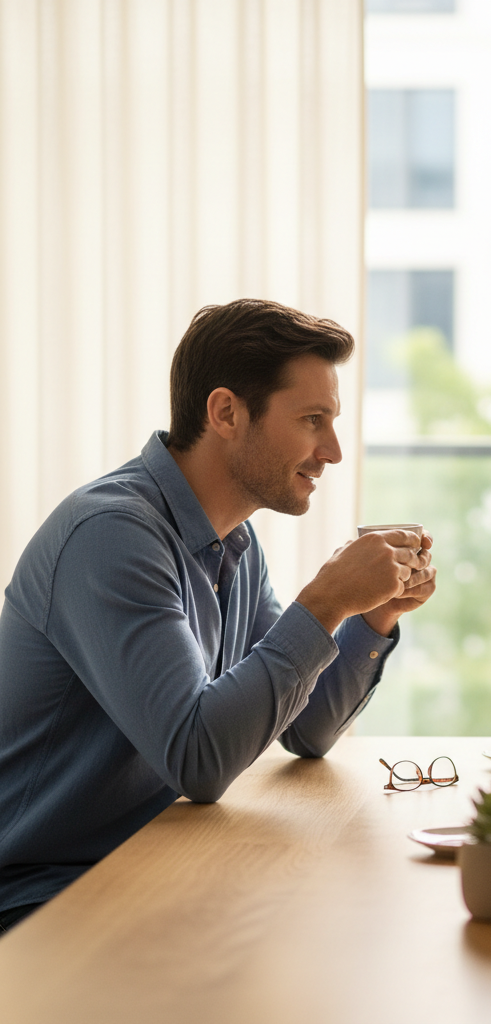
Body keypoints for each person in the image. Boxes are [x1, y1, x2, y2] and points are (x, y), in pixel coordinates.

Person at [0, 298, 436, 935]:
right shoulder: (113, 535)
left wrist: (372, 617)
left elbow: (306, 728)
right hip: (43, 900)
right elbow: (198, 760)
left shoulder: (232, 541)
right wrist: (326, 601)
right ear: (226, 412)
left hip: (147, 870)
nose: (334, 451)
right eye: (313, 419)